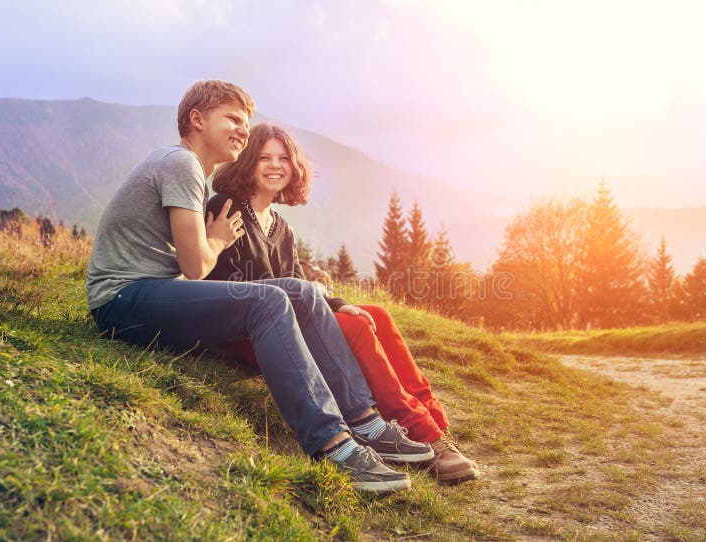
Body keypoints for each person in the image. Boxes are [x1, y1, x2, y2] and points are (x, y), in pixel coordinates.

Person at [86, 80, 433, 493]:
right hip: (122, 298)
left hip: (150, 292)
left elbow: (190, 263)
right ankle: (333, 444)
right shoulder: (182, 164)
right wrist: (216, 240)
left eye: (245, 122)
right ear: (197, 119)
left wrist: (211, 242)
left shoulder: (191, 170)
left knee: (303, 291)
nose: (241, 130)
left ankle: (366, 421)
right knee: (267, 301)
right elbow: (196, 266)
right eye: (232, 118)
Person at [206, 123, 479, 483]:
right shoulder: (227, 208)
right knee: (353, 326)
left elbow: (297, 283)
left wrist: (334, 301)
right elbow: (227, 286)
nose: (275, 166)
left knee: (374, 315)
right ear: (247, 163)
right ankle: (417, 431)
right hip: (254, 329)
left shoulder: (281, 228)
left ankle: (436, 429)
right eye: (264, 158)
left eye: (284, 158)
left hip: (291, 319)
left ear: (295, 167)